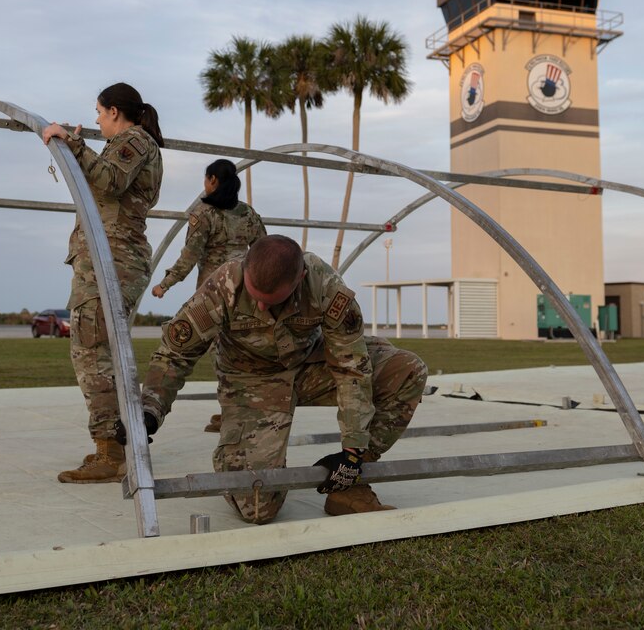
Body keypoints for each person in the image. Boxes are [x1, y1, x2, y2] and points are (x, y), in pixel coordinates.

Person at [135, 234, 428, 523]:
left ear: (300, 278)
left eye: (273, 302)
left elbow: (350, 366)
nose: (262, 308)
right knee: (258, 507)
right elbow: (175, 354)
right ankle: (237, 452)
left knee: (407, 370)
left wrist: (353, 451)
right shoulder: (222, 287)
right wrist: (151, 409)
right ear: (246, 266)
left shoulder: (324, 286)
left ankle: (349, 484)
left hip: (311, 366)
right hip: (252, 383)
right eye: (255, 298)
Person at [41, 82, 164, 484]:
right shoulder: (127, 144)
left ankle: (109, 452)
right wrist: (80, 147)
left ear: (114, 112)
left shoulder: (135, 141)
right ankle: (117, 442)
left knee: (91, 354)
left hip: (112, 262)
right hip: (107, 260)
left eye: (98, 111)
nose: (95, 119)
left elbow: (111, 181)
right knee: (100, 352)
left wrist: (72, 145)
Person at [150, 158, 266, 433]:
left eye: (206, 179)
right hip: (245, 291)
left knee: (219, 353)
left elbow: (189, 256)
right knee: (241, 352)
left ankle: (234, 413)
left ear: (213, 180)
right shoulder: (248, 213)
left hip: (214, 295)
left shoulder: (203, 214)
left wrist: (165, 284)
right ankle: (238, 410)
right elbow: (263, 252)